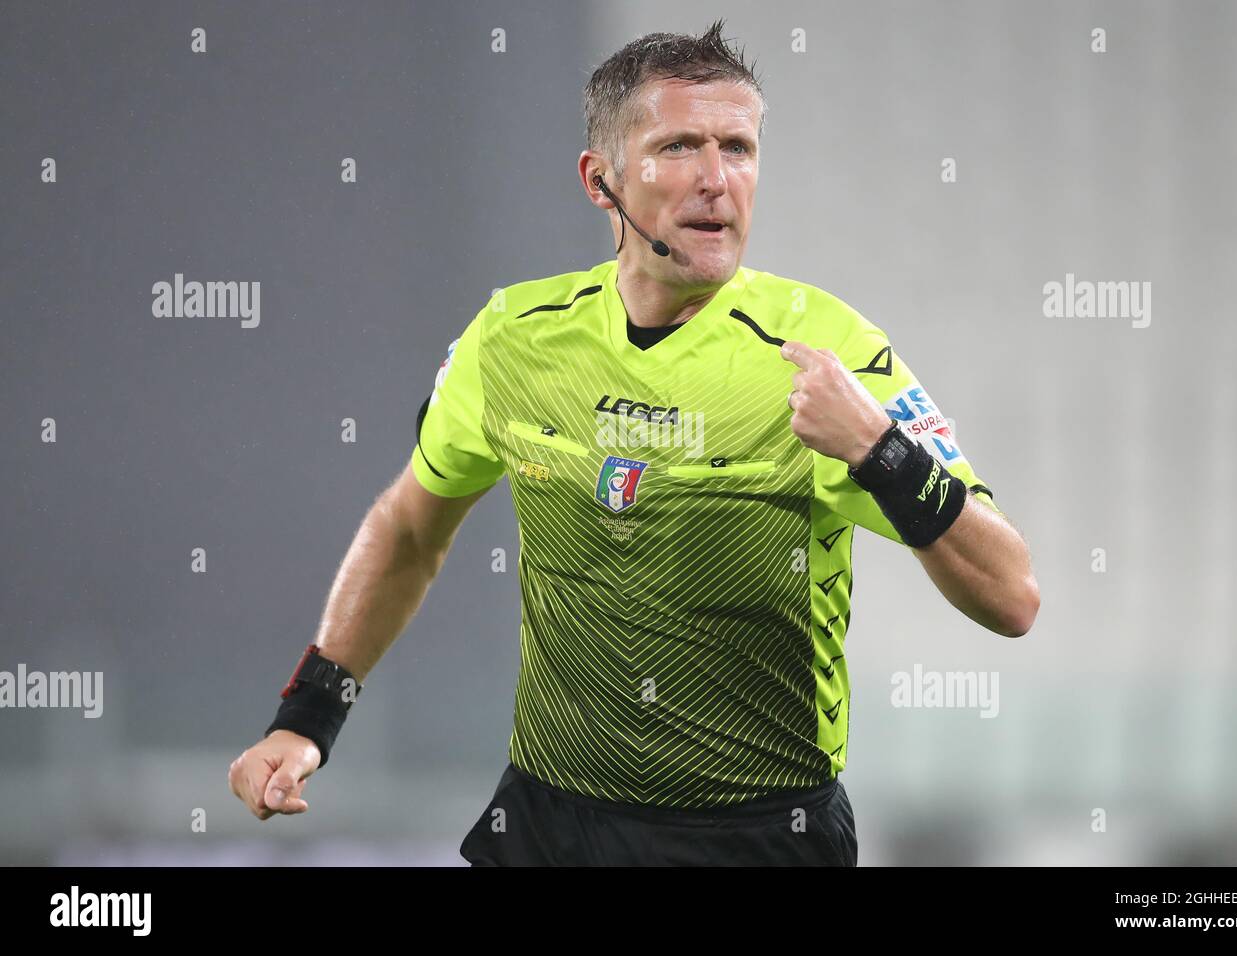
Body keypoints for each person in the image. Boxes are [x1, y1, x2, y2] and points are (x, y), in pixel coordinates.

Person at [228, 19, 1039, 866]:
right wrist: (307, 720)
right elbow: (408, 530)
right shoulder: (511, 340)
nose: (717, 180)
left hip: (760, 839)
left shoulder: (830, 355)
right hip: (547, 823)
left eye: (739, 147)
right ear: (600, 180)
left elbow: (1012, 595)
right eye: (679, 146)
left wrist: (880, 449)